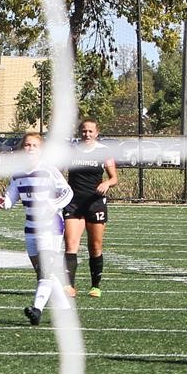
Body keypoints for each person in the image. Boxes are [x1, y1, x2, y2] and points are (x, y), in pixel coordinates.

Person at [0, 132, 72, 325]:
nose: (30, 149)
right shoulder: (18, 173)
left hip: (51, 227)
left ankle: (37, 310)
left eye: (34, 146)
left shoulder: (48, 170)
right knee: (44, 273)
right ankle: (65, 311)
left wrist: (53, 205)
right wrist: (4, 202)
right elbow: (11, 197)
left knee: (45, 270)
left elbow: (67, 192)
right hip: (31, 228)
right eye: (27, 145)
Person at [62, 119, 118, 297]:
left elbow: (114, 178)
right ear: (80, 132)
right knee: (71, 244)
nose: (87, 134)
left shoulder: (104, 151)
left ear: (97, 133)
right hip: (73, 203)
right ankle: (69, 286)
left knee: (95, 246)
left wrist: (107, 183)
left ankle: (95, 286)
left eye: (90, 131)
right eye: (84, 131)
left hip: (95, 203)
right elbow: (58, 171)